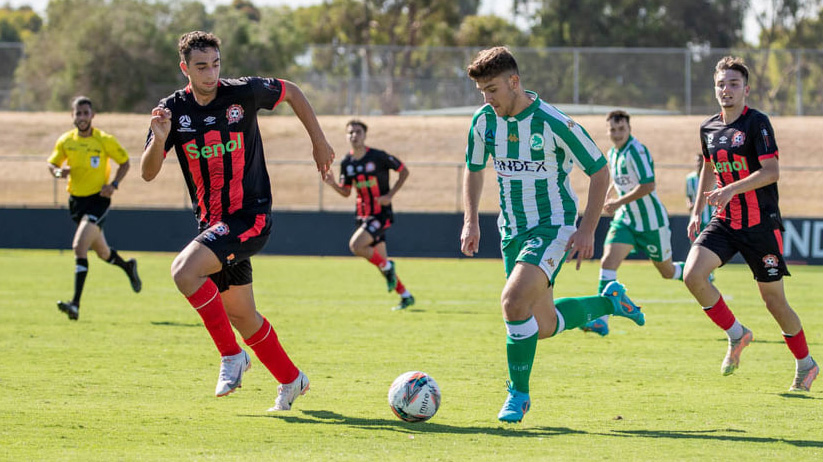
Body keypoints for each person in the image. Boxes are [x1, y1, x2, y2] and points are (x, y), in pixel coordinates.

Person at [141, 31, 334, 411]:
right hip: (211, 226)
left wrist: (318, 141)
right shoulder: (171, 111)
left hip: (250, 216)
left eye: (215, 64)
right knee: (243, 315)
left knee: (183, 272)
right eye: (201, 67)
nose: (211, 73)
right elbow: (148, 173)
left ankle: (231, 356)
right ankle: (292, 380)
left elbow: (292, 91)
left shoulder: (242, 93)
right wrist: (157, 139)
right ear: (185, 69)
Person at [461, 47, 645, 423]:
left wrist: (587, 229)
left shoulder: (553, 122)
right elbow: (474, 168)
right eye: (482, 91)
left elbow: (599, 171)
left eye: (492, 89)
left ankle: (518, 396)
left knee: (513, 303)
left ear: (514, 82)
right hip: (512, 231)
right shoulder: (484, 122)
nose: (487, 98)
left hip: (554, 226)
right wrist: (471, 220)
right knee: (541, 326)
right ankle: (611, 303)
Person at [684, 56, 818, 392]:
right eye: (721, 84)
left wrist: (729, 189)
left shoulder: (757, 123)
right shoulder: (708, 128)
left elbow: (771, 172)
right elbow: (708, 167)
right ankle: (736, 334)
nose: (726, 90)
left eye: (733, 84)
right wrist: (697, 209)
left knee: (774, 302)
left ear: (746, 89)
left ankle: (805, 364)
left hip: (760, 225)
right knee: (692, 275)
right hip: (725, 221)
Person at [581, 110, 685, 336]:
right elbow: (619, 182)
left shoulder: (636, 151)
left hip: (651, 223)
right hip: (626, 221)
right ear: (608, 131)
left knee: (667, 271)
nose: (617, 134)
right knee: (608, 262)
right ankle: (601, 320)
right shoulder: (613, 153)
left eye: (621, 129)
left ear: (629, 129)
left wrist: (618, 202)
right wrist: (611, 197)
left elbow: (648, 185)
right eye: (613, 130)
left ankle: (694, 271)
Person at [47, 96, 142, 321]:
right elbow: (52, 164)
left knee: (79, 247)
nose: (81, 117)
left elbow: (125, 161)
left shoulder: (104, 140)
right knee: (102, 252)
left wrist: (114, 184)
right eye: (77, 113)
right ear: (72, 116)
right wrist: (58, 172)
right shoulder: (66, 141)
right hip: (76, 202)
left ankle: (75, 304)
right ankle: (128, 267)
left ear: (92, 116)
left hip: (98, 200)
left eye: (85, 113)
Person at [323, 120, 414, 311]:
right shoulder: (347, 163)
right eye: (350, 133)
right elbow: (347, 192)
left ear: (365, 135)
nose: (354, 136)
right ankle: (405, 295)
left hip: (380, 214)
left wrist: (390, 195)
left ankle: (389, 267)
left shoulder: (378, 157)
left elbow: (403, 171)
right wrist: (332, 183)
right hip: (363, 215)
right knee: (380, 262)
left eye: (358, 132)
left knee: (356, 246)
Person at [685, 153, 715, 231]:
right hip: (696, 217)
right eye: (697, 161)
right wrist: (689, 204)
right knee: (696, 240)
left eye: (701, 161)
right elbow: (688, 195)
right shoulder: (690, 179)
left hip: (711, 216)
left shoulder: (713, 177)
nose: (699, 163)